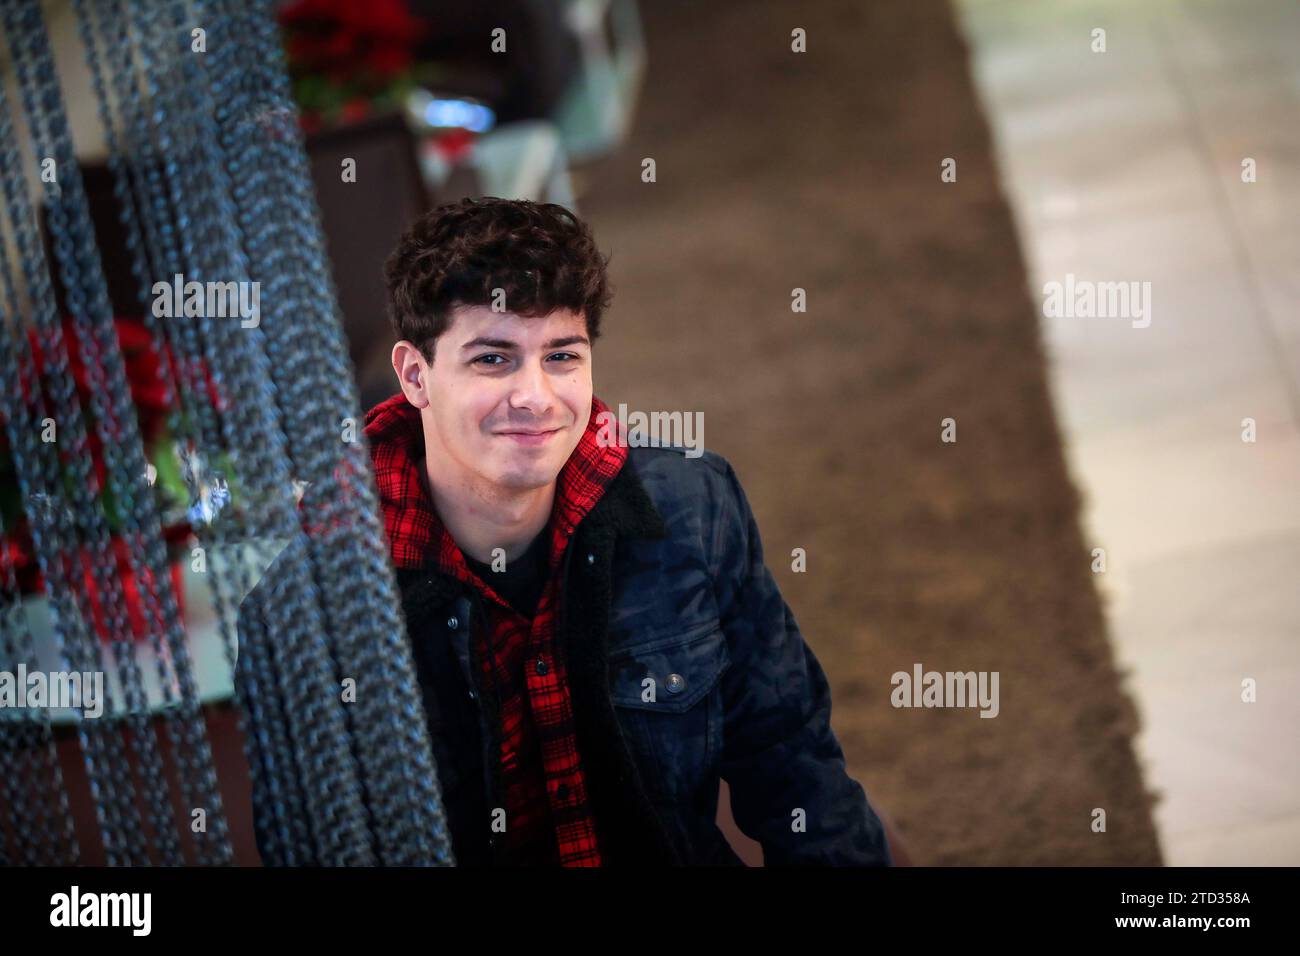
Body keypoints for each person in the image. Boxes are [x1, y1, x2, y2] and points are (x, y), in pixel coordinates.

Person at [238, 196, 893, 866]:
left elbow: (794, 763)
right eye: (492, 360)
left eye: (561, 357)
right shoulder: (303, 619)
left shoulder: (694, 507)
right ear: (415, 375)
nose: (536, 397)